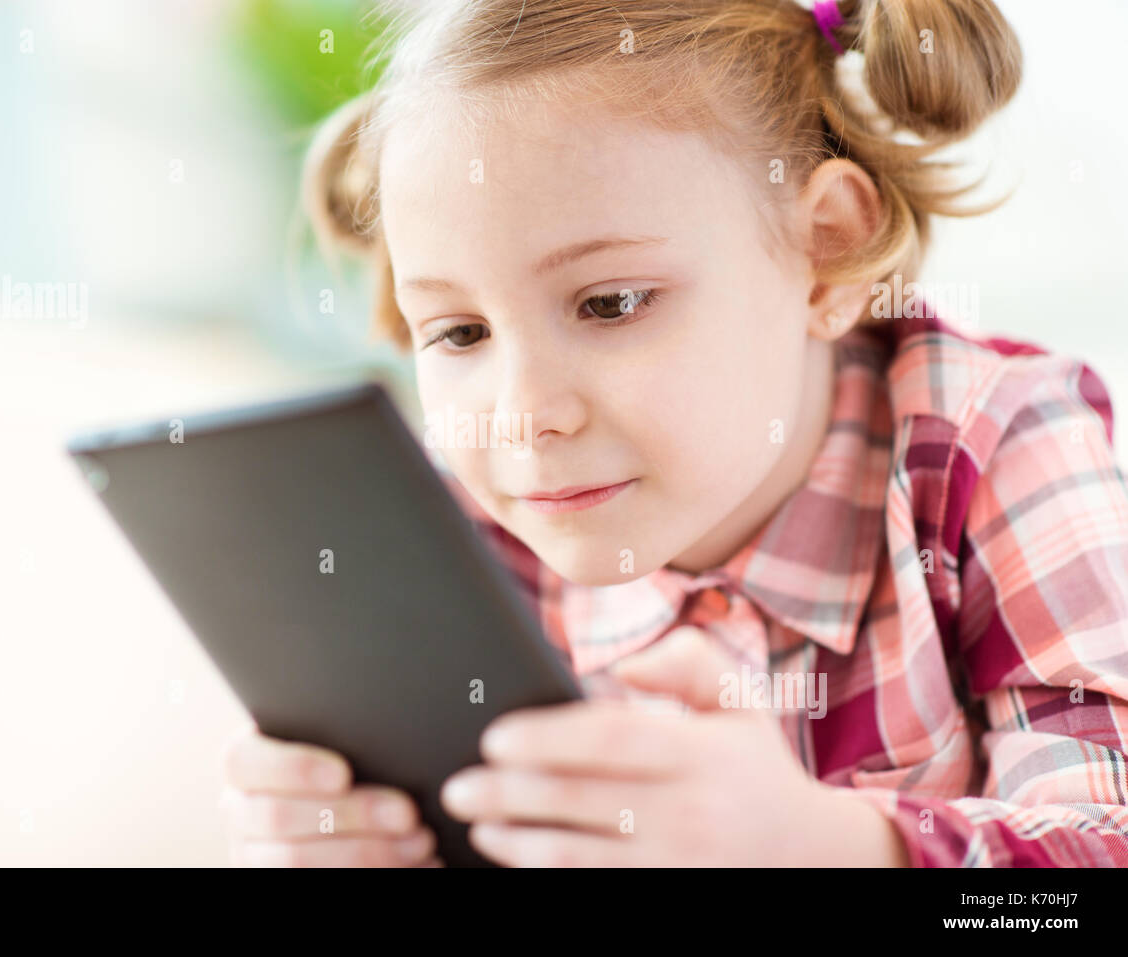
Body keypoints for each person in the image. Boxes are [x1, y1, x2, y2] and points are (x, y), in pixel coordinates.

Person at [220, 0, 1128, 867]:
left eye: (609, 303)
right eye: (461, 332)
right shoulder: (455, 539)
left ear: (825, 251)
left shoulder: (995, 443)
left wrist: (821, 847)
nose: (525, 414)